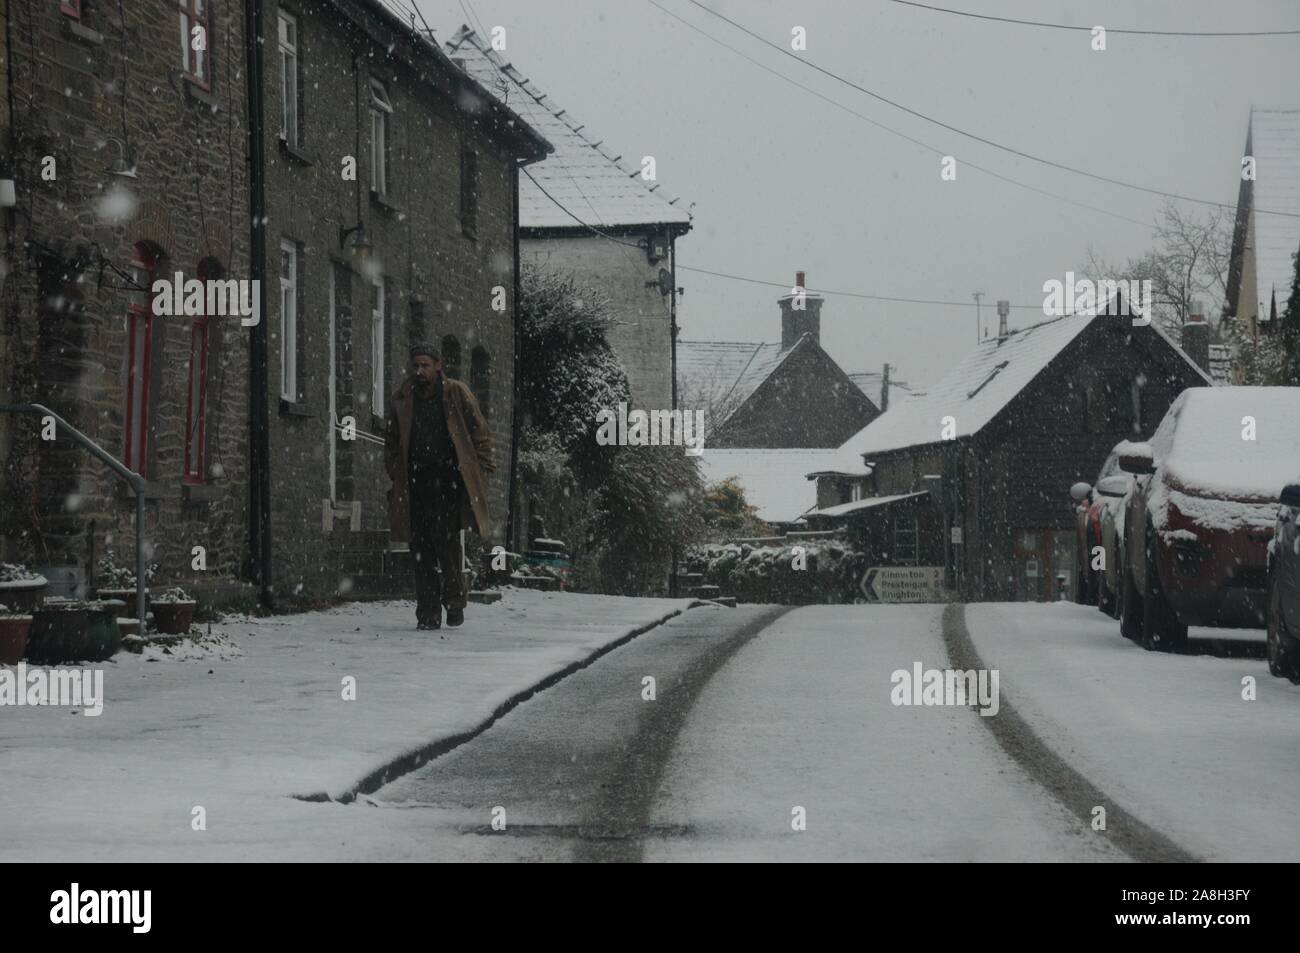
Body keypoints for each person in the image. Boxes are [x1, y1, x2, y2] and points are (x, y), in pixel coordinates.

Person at [384, 344, 494, 629]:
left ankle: (455, 601)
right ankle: (428, 612)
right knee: (420, 549)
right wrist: (395, 471)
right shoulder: (403, 397)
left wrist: (480, 469)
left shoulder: (455, 392)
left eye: (425, 366)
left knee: (446, 546)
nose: (419, 371)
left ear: (438, 366)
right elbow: (393, 439)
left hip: (448, 482)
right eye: (416, 366)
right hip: (415, 483)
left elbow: (478, 431)